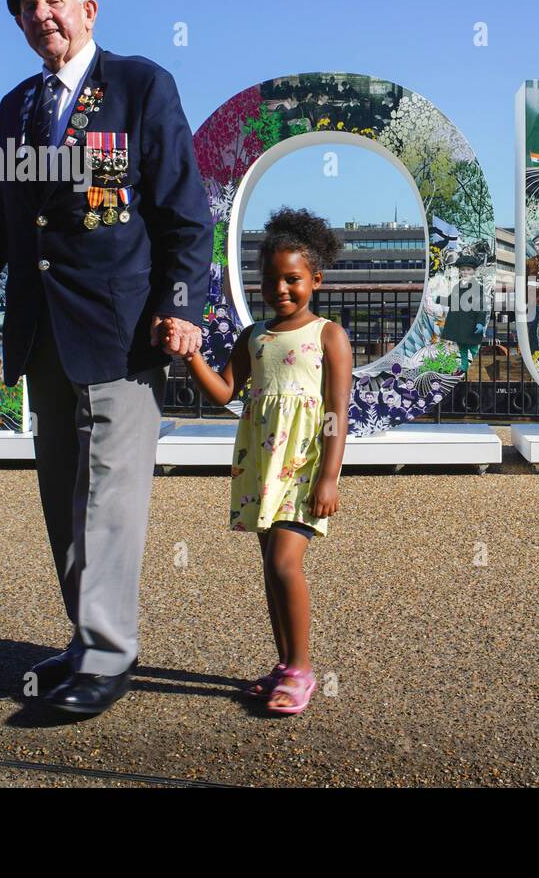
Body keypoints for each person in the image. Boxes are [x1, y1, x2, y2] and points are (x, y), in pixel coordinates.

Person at [0, 0, 214, 717]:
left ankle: (109, 657)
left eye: (52, 0)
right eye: (26, 8)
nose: (40, 14)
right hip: (41, 331)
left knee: (110, 496)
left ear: (90, 10)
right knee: (63, 499)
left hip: (121, 330)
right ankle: (86, 639)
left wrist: (183, 304)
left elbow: (182, 210)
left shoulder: (141, 86)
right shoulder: (16, 108)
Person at [180, 207, 353, 716]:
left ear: (315, 280)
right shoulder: (254, 336)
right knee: (269, 569)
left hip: (301, 470)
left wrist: (328, 477)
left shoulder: (328, 336)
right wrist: (190, 357)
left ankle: (301, 669)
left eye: (292, 279)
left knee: (284, 563)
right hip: (259, 466)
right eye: (271, 279)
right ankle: (284, 665)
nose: (280, 289)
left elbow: (337, 414)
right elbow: (223, 392)